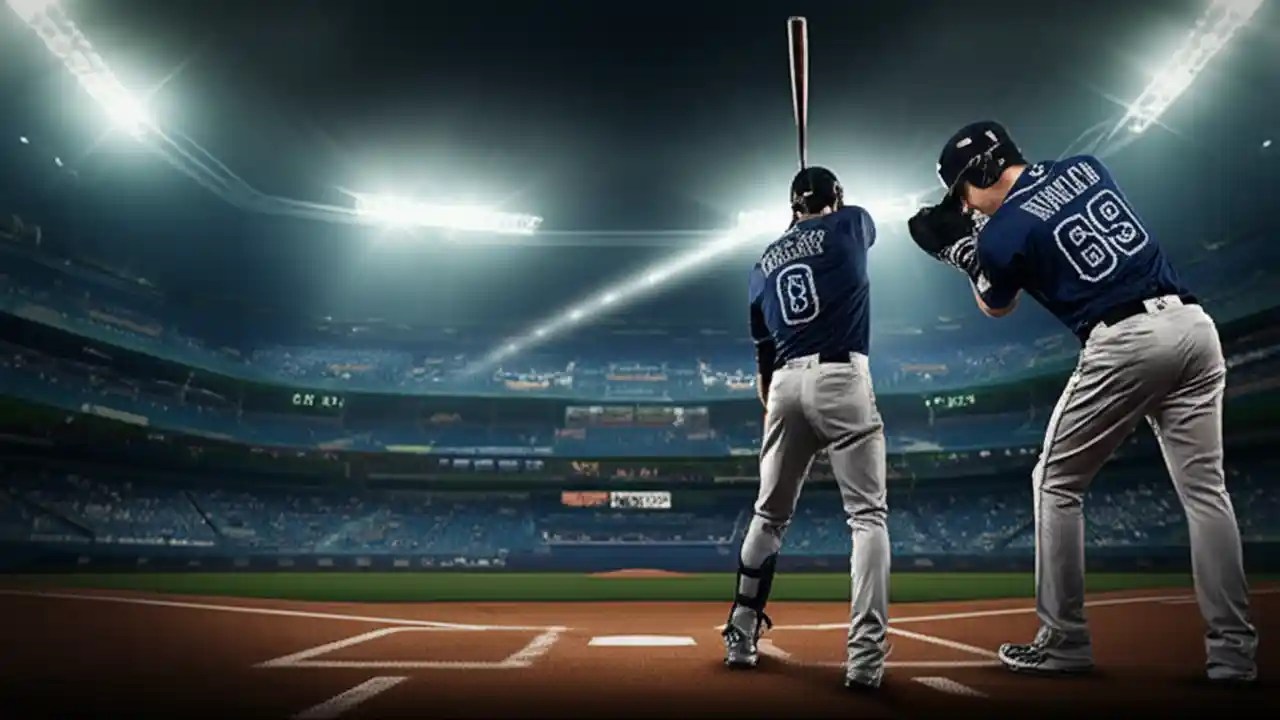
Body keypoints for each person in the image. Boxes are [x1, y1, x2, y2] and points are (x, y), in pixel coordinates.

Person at [907, 120, 1257, 682]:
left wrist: (964, 255)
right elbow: (1043, 215)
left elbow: (997, 304)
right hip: (1194, 326)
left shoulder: (999, 235)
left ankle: (1063, 639)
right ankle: (1234, 653)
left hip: (1125, 340)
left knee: (1055, 483)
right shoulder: (1087, 167)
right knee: (1206, 495)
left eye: (964, 194)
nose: (967, 208)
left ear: (980, 174)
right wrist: (978, 240)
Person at [722, 166, 890, 691]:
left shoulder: (760, 265)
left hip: (785, 387)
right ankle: (864, 661)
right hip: (843, 374)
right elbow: (860, 232)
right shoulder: (851, 223)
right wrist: (826, 219)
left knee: (768, 515)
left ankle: (741, 633)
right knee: (866, 518)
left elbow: (762, 368)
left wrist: (795, 232)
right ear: (836, 198)